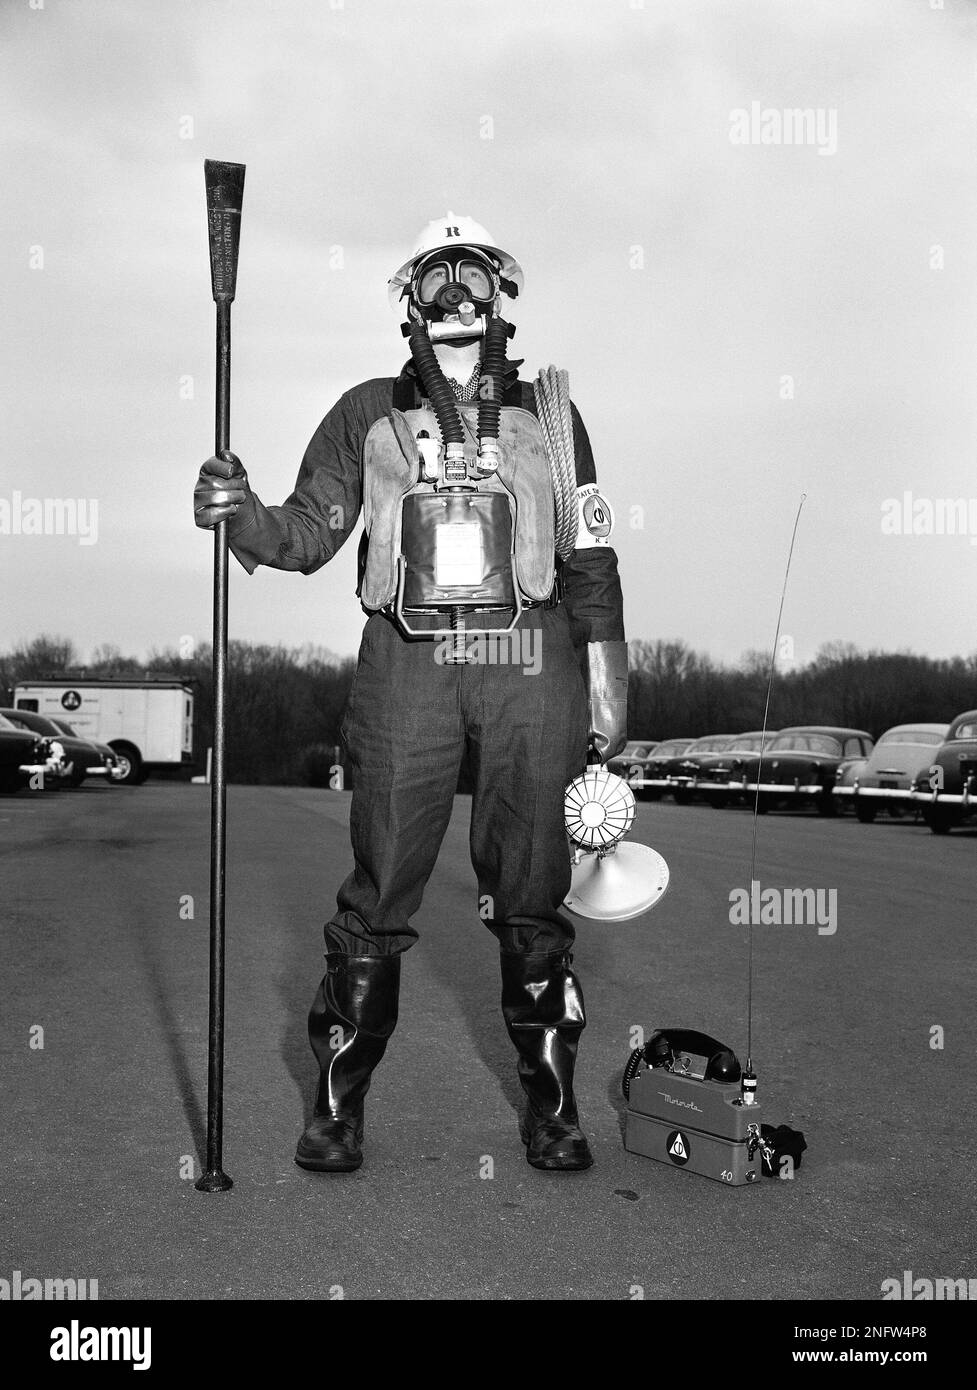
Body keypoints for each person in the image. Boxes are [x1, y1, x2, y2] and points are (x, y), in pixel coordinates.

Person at [194, 214, 627, 1174]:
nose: (457, 302)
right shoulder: (366, 413)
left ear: (502, 299)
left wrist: (606, 677)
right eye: (435, 284)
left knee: (530, 883)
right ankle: (337, 1108)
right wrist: (240, 515)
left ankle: (551, 1107)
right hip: (409, 660)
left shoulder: (550, 417)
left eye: (475, 281)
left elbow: (588, 551)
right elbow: (307, 532)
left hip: (531, 658)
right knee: (380, 879)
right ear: (408, 304)